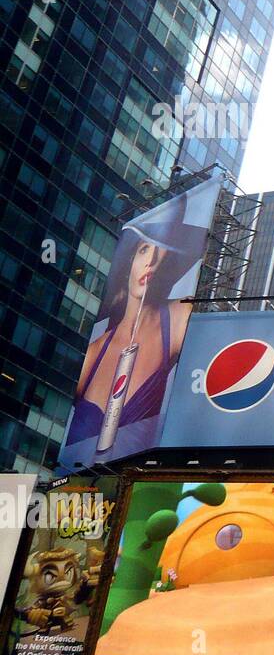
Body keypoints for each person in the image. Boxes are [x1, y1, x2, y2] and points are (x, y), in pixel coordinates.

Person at [64, 193, 208, 460]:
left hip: (134, 487)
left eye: (161, 252)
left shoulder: (177, 317)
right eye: (143, 250)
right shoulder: (93, 353)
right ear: (129, 261)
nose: (151, 262)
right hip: (73, 490)